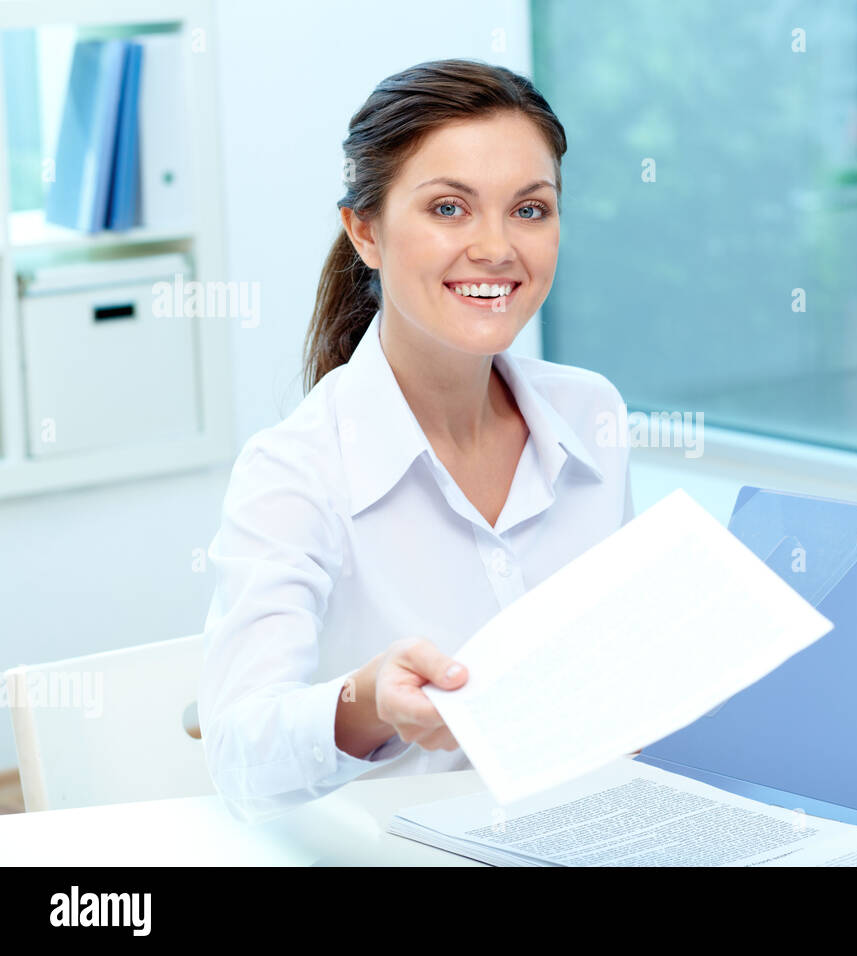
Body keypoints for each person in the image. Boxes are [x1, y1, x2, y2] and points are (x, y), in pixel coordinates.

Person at [198, 59, 633, 824]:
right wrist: (368, 703)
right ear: (365, 230)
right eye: (449, 209)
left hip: (592, 830)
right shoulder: (296, 469)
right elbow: (236, 749)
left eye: (530, 210)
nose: (498, 248)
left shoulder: (592, 413)